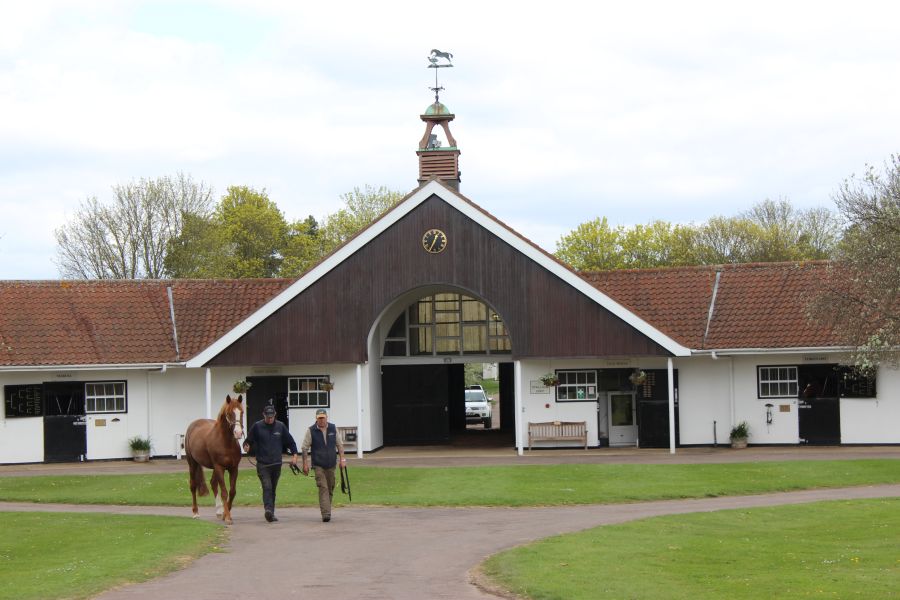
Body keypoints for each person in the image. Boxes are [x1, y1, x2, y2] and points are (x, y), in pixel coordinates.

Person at [243, 404, 298, 523]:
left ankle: (271, 513)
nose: (270, 419)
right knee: (267, 486)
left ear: (275, 415)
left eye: (272, 416)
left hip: (276, 464)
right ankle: (268, 510)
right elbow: (248, 441)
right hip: (263, 464)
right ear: (263, 415)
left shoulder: (280, 426)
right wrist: (246, 446)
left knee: (272, 489)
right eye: (268, 416)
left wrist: (294, 455)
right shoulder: (257, 426)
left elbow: (290, 442)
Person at [301, 408, 346, 522]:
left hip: (331, 464)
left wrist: (342, 460)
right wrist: (305, 464)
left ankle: (327, 510)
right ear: (316, 419)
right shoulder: (311, 430)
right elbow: (305, 448)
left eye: (323, 418)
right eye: (319, 418)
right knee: (323, 488)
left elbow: (339, 445)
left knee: (330, 488)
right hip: (318, 465)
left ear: (326, 418)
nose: (321, 420)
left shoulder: (332, 428)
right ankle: (326, 514)